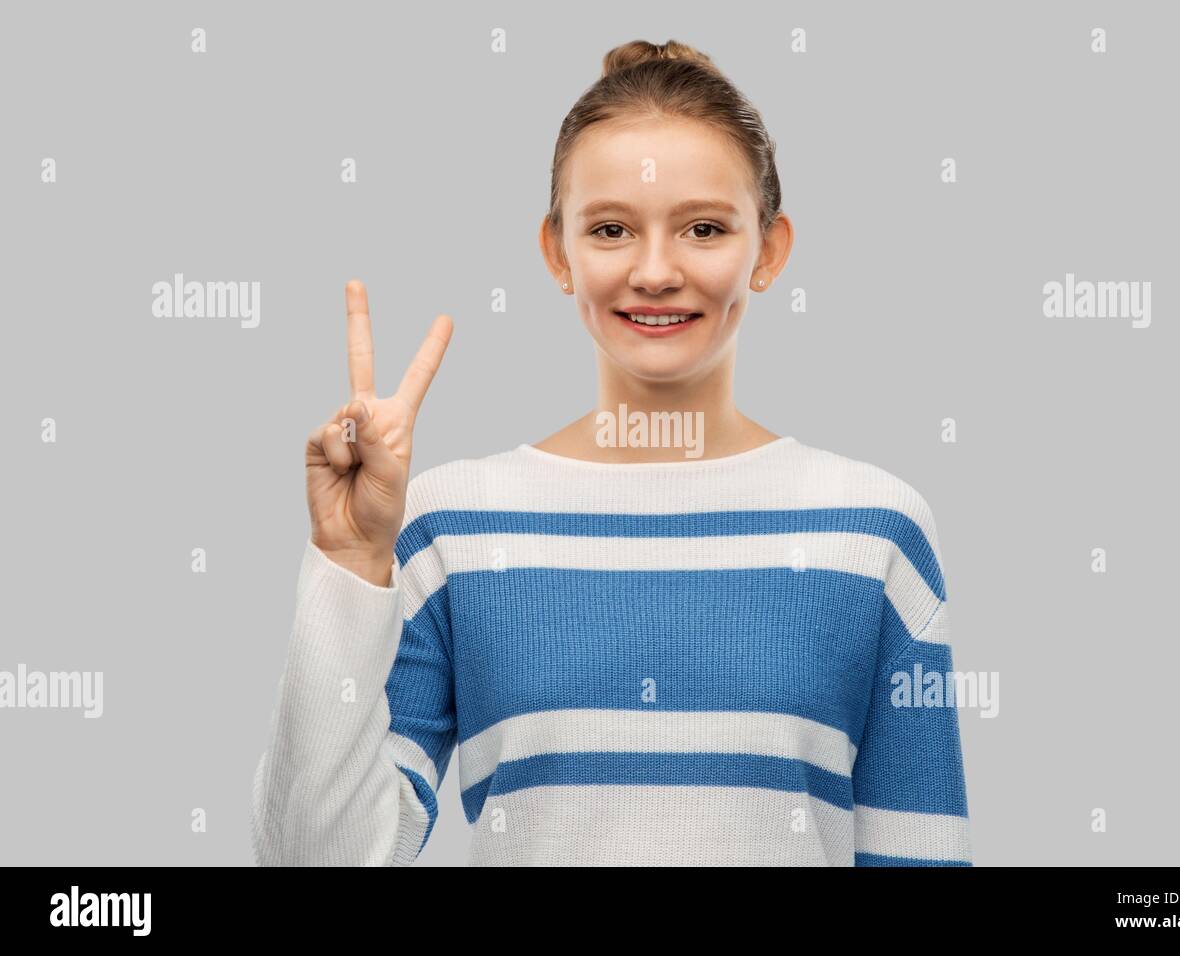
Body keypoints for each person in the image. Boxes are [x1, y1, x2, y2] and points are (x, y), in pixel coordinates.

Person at [251, 39, 973, 866]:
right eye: (610, 229)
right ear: (558, 252)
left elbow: (923, 853)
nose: (656, 271)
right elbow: (313, 859)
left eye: (704, 228)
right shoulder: (449, 525)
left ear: (768, 251)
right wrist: (348, 561)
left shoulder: (875, 529)